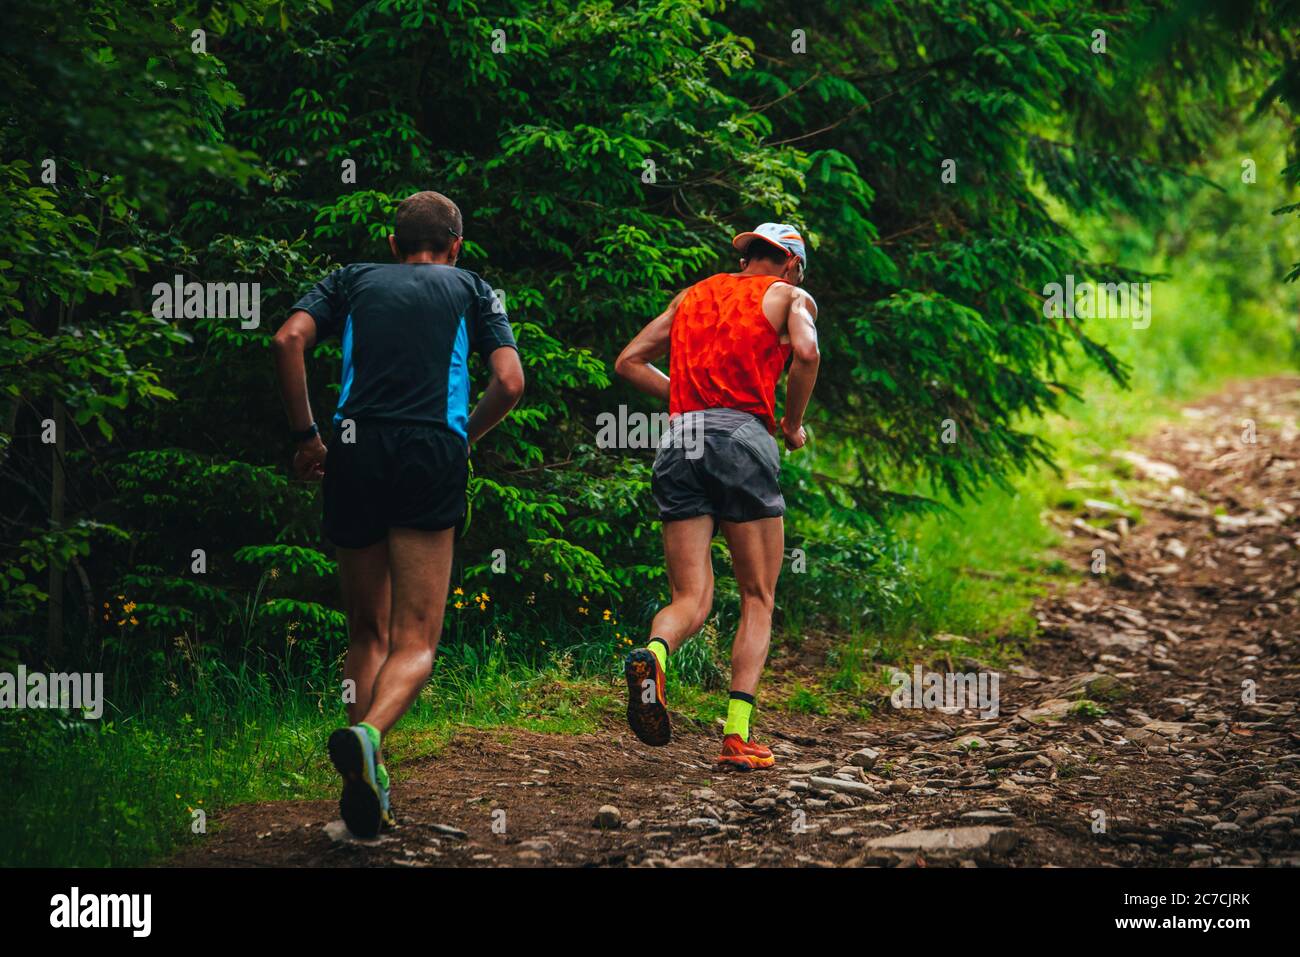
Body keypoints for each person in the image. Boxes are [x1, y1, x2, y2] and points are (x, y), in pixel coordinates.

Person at [272, 190, 524, 835]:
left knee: (366, 631)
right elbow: (512, 382)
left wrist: (307, 438)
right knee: (417, 640)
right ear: (456, 245)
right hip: (429, 447)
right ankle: (368, 735)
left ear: (393, 245)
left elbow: (289, 339)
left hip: (354, 446)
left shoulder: (352, 278)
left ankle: (366, 778)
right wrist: (462, 436)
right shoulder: (473, 287)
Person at [614, 222, 819, 770]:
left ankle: (653, 655)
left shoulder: (692, 296)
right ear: (792, 265)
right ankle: (736, 734)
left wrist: (683, 400)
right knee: (757, 596)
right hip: (743, 441)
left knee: (692, 600)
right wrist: (791, 424)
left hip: (680, 441)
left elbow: (629, 360)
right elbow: (807, 353)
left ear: (748, 256)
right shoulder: (791, 296)